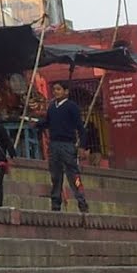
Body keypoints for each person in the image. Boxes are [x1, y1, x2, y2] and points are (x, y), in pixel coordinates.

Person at [41, 82, 89, 214]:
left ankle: (81, 200)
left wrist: (82, 146)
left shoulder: (72, 107)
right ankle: (56, 203)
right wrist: (37, 124)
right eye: (54, 89)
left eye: (58, 89)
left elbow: (81, 128)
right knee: (55, 176)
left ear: (66, 91)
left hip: (68, 145)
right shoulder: (51, 107)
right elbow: (47, 123)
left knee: (74, 175)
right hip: (54, 145)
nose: (55, 92)